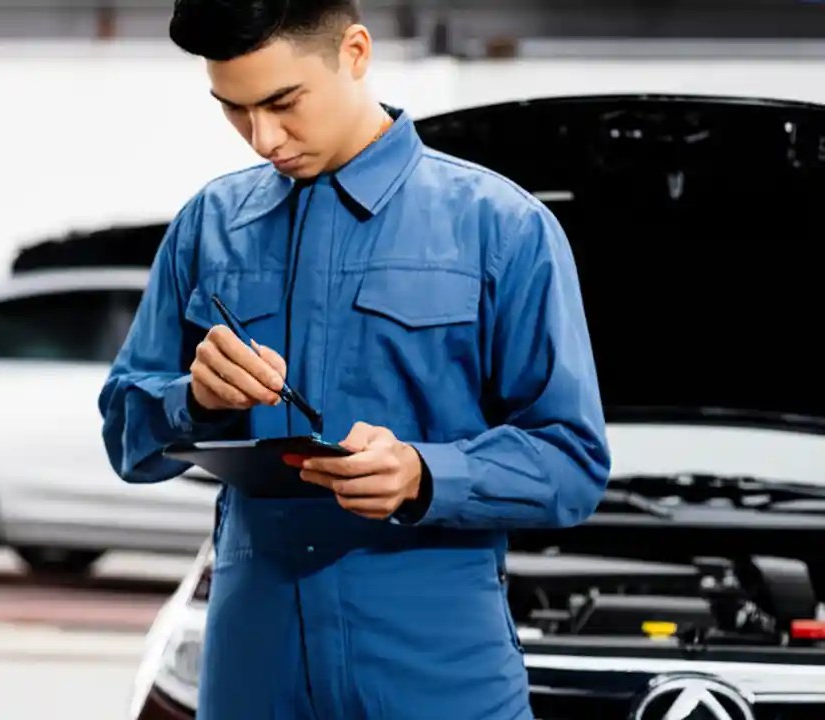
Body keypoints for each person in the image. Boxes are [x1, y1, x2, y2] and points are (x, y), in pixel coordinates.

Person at [98, 1, 611, 718]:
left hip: (435, 670)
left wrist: (426, 474)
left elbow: (572, 461)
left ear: (356, 52)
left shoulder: (501, 228)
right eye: (234, 110)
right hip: (254, 668)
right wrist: (193, 399)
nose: (262, 138)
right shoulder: (208, 229)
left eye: (282, 102)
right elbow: (126, 436)